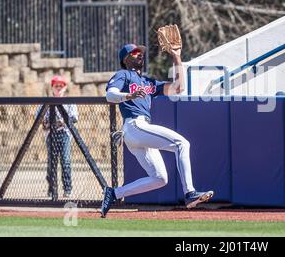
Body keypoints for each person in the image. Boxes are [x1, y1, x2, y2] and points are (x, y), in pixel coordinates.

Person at [100, 39, 214, 218]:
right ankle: (190, 192)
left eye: (141, 52)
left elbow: (178, 88)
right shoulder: (124, 75)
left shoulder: (148, 82)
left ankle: (114, 193)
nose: (140, 54)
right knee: (181, 143)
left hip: (138, 131)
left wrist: (177, 57)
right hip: (134, 125)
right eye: (135, 52)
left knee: (160, 178)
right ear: (126, 59)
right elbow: (110, 95)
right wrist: (128, 95)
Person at [39, 75, 78, 198]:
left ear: (65, 88)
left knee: (65, 160)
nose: (59, 88)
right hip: (51, 134)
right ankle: (52, 188)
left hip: (64, 133)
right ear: (52, 88)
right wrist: (47, 123)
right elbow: (40, 118)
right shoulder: (46, 102)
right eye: (56, 86)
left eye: (61, 86)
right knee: (52, 162)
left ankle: (67, 188)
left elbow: (74, 118)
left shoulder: (70, 102)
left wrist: (61, 122)